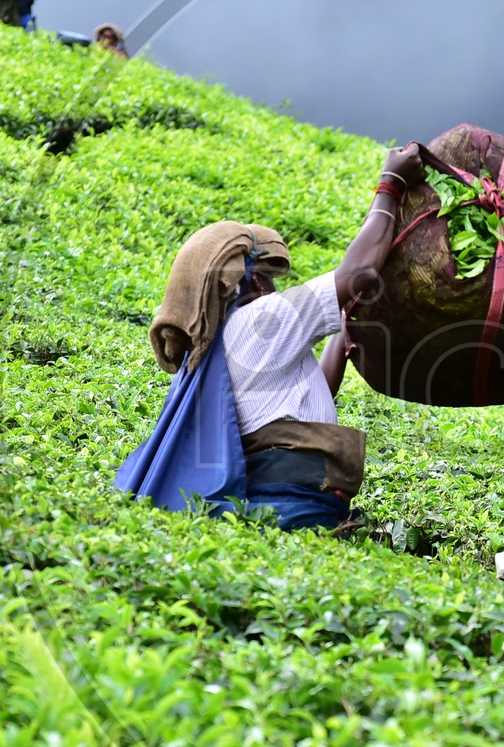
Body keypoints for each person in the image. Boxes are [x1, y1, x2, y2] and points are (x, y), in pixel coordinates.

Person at [124, 142, 426, 530]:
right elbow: (358, 273)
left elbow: (303, 397)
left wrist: (344, 329)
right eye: (267, 277)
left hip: (292, 503)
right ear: (245, 279)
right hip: (293, 507)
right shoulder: (260, 320)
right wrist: (392, 183)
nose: (273, 288)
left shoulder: (219, 346)